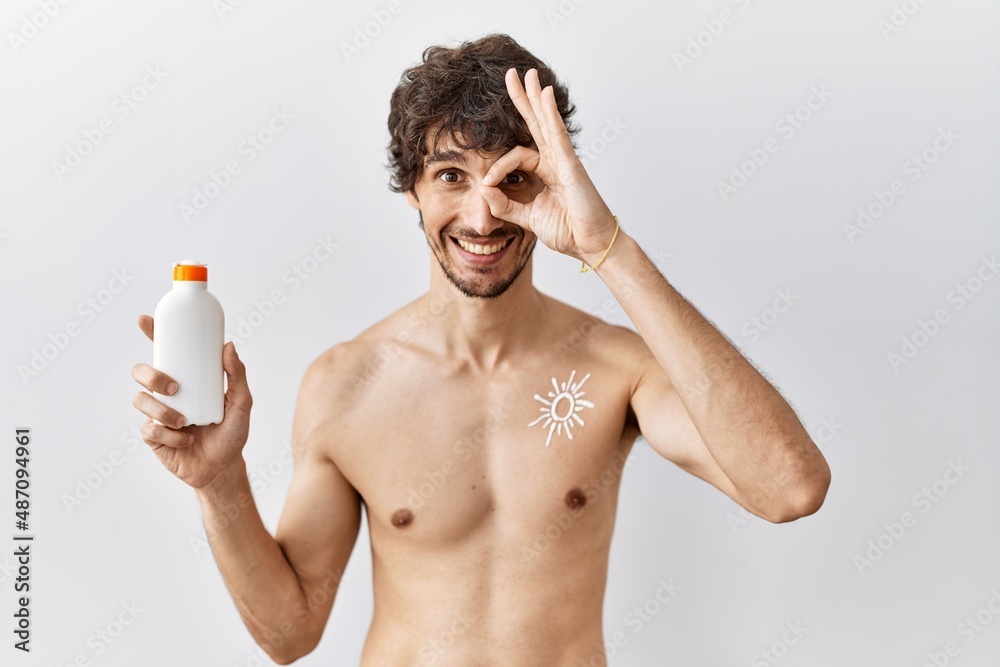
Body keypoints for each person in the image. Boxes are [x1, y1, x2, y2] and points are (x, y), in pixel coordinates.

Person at [130, 33, 831, 666]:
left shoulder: (618, 371)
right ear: (411, 187)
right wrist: (219, 485)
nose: (483, 214)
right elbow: (290, 633)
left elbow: (789, 487)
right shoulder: (347, 383)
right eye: (452, 175)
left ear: (553, 182)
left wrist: (603, 245)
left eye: (513, 178)